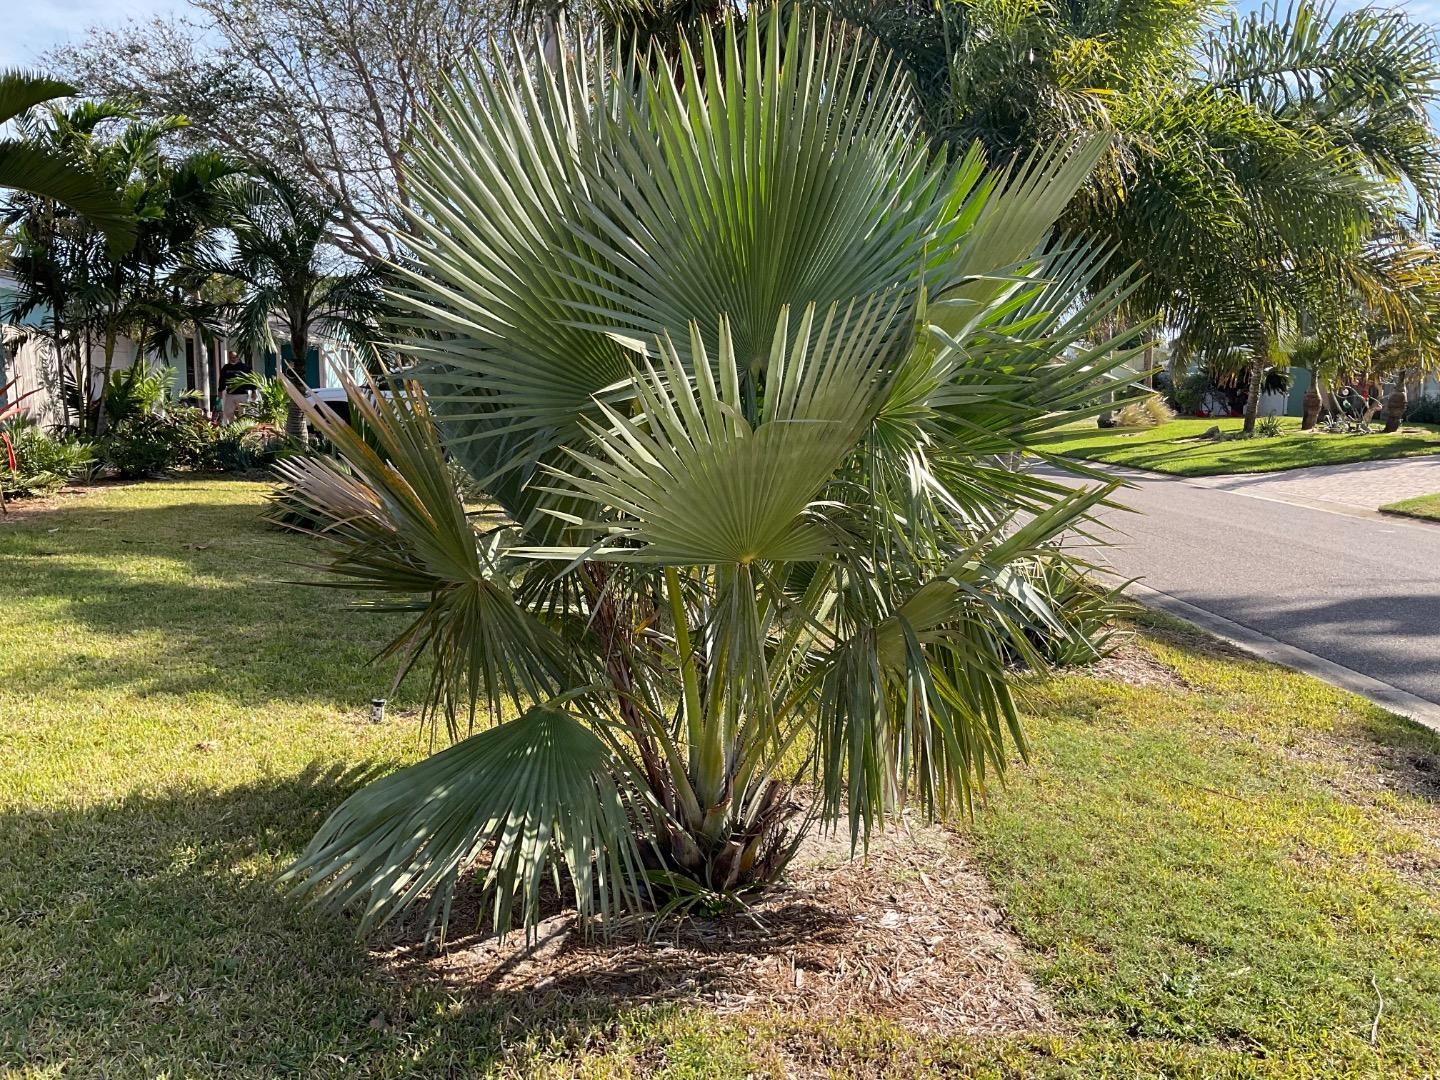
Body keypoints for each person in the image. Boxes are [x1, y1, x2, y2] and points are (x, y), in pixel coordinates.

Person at [218, 355, 253, 423]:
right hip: (230, 394)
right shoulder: (226, 367)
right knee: (228, 412)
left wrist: (253, 390)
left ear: (238, 358)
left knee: (242, 412)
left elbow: (250, 379)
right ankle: (232, 424)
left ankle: (242, 426)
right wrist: (220, 390)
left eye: (234, 357)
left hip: (242, 393)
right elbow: (222, 380)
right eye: (231, 357)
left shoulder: (244, 367)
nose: (232, 359)